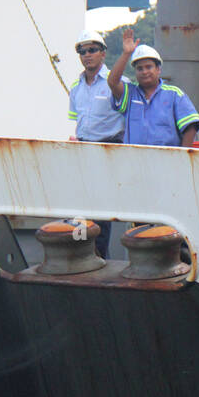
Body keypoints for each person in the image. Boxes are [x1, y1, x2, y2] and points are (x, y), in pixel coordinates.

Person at [67, 29, 125, 257]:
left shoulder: (118, 83)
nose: (87, 55)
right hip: (83, 151)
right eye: (82, 51)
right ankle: (80, 253)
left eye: (92, 50)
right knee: (81, 208)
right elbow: (78, 122)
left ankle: (100, 257)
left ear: (103, 53)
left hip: (108, 152)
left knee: (100, 210)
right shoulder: (76, 88)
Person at [108, 28, 199, 148]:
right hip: (134, 159)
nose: (144, 72)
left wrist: (182, 156)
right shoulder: (130, 93)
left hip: (166, 159)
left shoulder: (174, 94)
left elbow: (190, 127)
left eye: (149, 67)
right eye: (140, 68)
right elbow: (112, 82)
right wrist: (126, 54)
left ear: (158, 69)